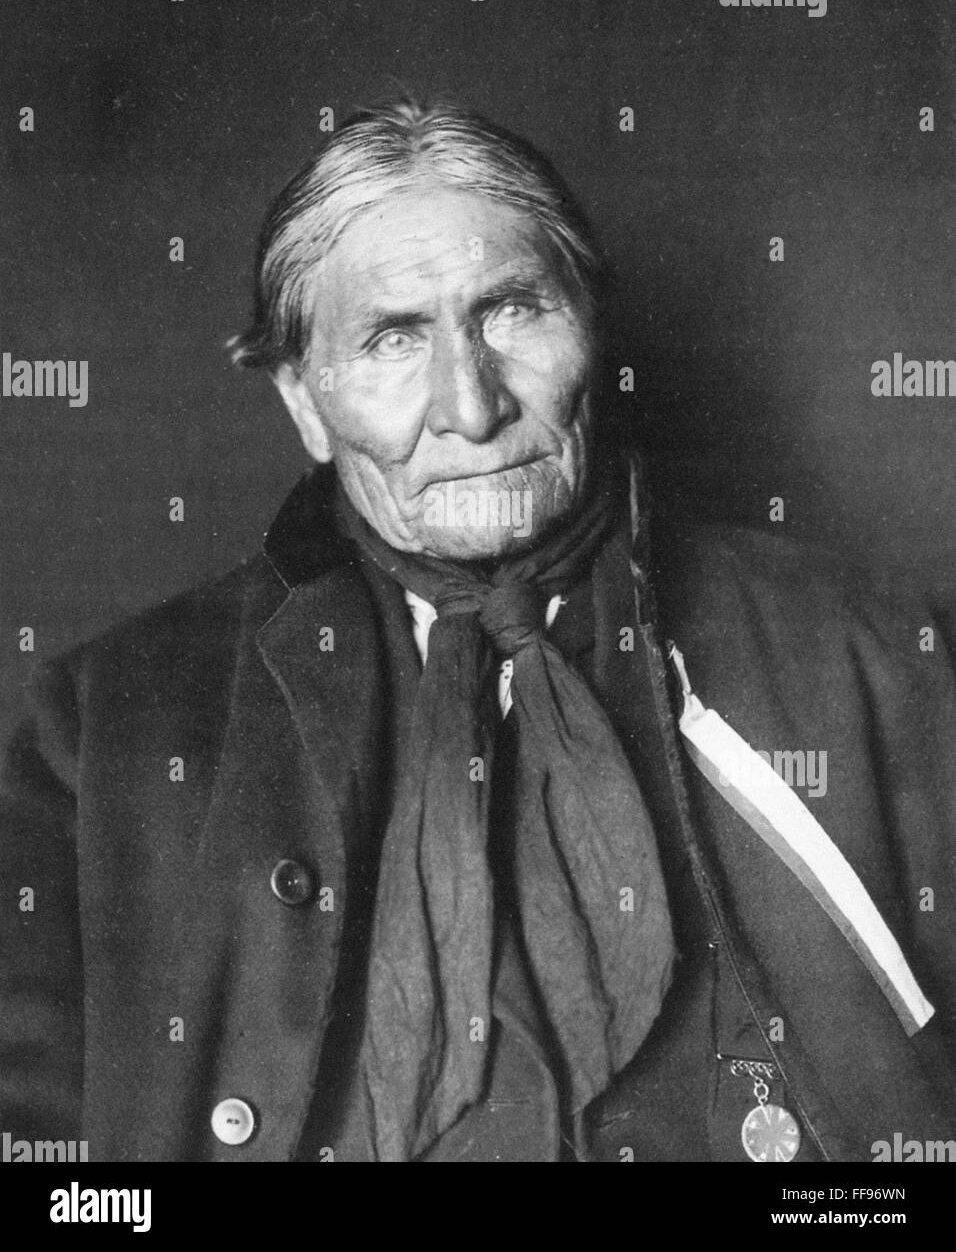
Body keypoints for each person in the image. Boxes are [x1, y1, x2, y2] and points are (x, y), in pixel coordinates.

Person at [2, 97, 955, 1163]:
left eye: (510, 311)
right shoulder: (105, 731)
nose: (469, 405)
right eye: (392, 338)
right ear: (303, 401)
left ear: (593, 323)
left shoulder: (875, 657)